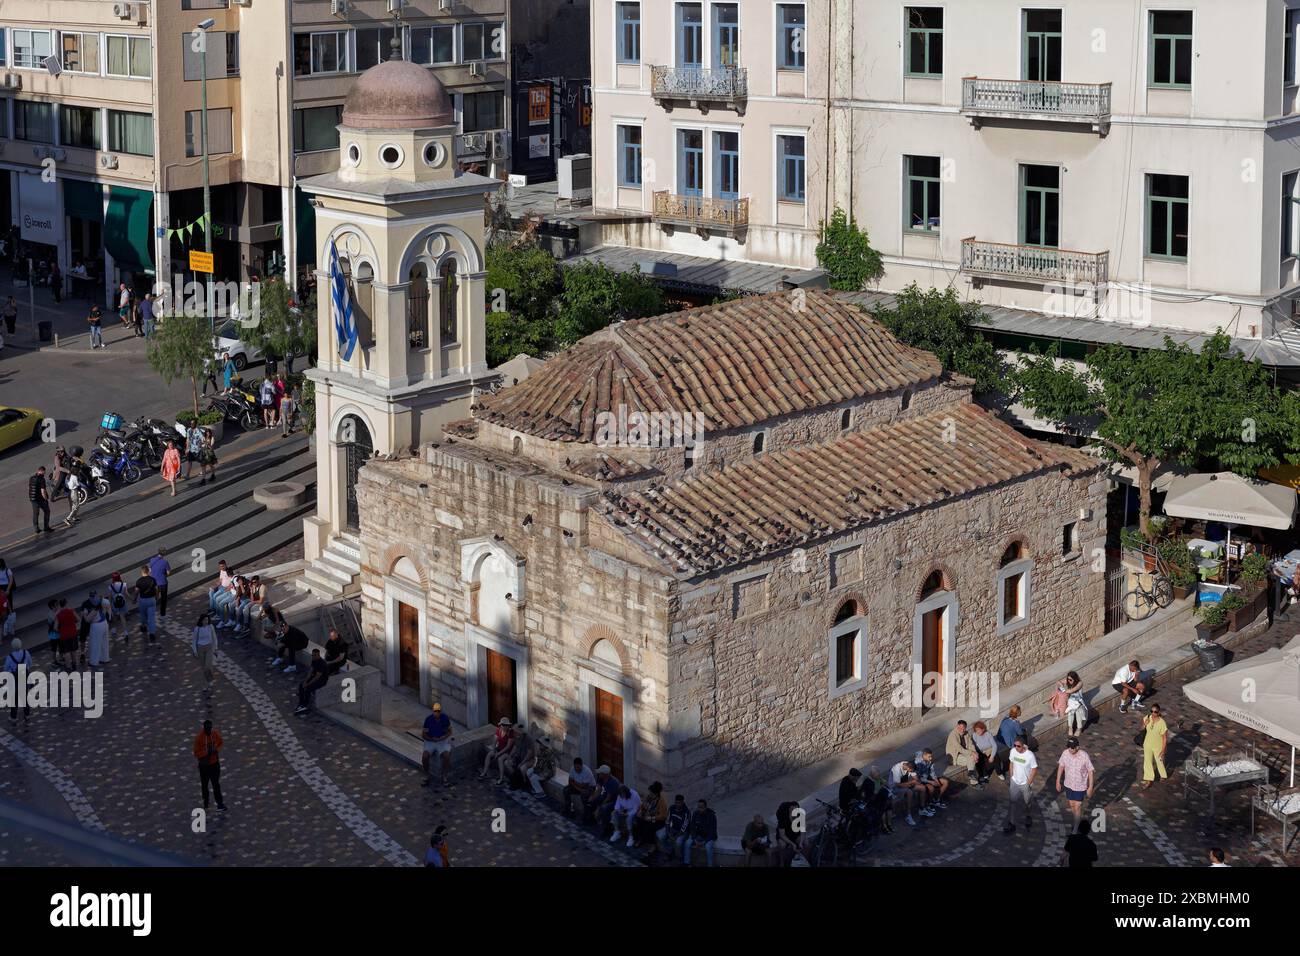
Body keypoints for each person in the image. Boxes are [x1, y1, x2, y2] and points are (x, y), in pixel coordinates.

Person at [1055, 736, 1095, 826]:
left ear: (1077, 747)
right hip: (1068, 784)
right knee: (1072, 804)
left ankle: (1076, 827)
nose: (1070, 749)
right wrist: (1058, 781)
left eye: (1072, 747)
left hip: (1080, 786)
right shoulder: (1065, 753)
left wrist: (1090, 786)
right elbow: (1061, 766)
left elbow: (1090, 770)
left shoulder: (1084, 756)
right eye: (1069, 746)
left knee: (1077, 806)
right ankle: (1076, 819)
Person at [1002, 736, 1038, 835]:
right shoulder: (1013, 751)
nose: (1016, 747)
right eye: (1015, 745)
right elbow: (1011, 763)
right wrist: (1011, 776)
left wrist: (1028, 782)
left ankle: (1028, 816)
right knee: (1012, 802)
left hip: (1025, 783)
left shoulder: (1029, 755)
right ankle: (1012, 823)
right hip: (1014, 781)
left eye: (1018, 746)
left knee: (1027, 802)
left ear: (1023, 746)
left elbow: (1034, 769)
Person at [193, 720, 227, 811]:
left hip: (214, 764)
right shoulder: (199, 738)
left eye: (210, 729)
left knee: (216, 784)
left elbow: (220, 742)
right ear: (204, 728)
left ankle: (220, 804)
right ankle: (206, 802)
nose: (209, 731)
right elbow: (196, 753)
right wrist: (206, 753)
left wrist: (216, 750)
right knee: (205, 785)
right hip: (204, 766)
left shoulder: (214, 733)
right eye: (207, 729)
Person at [421, 703, 453, 787]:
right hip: (431, 741)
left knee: (446, 756)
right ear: (433, 711)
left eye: (438, 711)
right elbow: (423, 735)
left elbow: (450, 731)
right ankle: (426, 775)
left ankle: (444, 776)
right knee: (425, 756)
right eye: (435, 711)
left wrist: (443, 737)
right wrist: (432, 739)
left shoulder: (445, 718)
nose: (437, 713)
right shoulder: (428, 720)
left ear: (440, 711)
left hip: (441, 741)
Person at [631, 780, 668, 850]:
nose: (649, 794)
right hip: (647, 816)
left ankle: (652, 845)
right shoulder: (649, 797)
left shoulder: (661, 802)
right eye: (649, 792)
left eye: (651, 793)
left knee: (649, 826)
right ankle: (639, 839)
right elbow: (643, 805)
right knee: (637, 821)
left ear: (656, 794)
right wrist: (640, 811)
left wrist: (651, 818)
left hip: (657, 820)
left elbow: (663, 816)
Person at [1140, 703, 1169, 790]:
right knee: (1147, 762)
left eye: (1155, 712)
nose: (1153, 713)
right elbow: (1141, 729)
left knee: (1159, 762)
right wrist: (1145, 724)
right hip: (1147, 744)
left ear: (1159, 712)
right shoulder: (1147, 718)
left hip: (1158, 746)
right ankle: (1149, 780)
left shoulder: (1162, 723)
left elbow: (1164, 738)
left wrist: (1163, 750)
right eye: (1151, 711)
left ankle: (1163, 775)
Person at [4, 639, 34, 722]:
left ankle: (13, 717)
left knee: (14, 698)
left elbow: (6, 669)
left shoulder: (10, 657)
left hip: (14, 677)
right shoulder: (26, 653)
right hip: (24, 674)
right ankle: (27, 714)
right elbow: (30, 663)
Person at [295, 647, 330, 715]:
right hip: (315, 677)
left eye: (315, 655)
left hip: (322, 680)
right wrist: (305, 681)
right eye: (312, 655)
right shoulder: (314, 660)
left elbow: (317, 677)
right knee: (301, 685)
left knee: (308, 688)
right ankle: (301, 702)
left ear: (318, 655)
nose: (313, 656)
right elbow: (310, 672)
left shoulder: (322, 663)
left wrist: (307, 684)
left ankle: (305, 704)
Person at [682, 798, 717, 867]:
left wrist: (704, 842)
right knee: (687, 843)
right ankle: (687, 863)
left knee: (708, 847)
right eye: (699, 807)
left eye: (702, 807)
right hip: (698, 836)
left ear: (706, 807)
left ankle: (710, 865)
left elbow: (713, 831)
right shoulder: (695, 813)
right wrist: (694, 838)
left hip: (709, 837)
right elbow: (692, 828)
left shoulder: (712, 816)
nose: (700, 809)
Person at [889, 759, 926, 824]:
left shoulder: (909, 765)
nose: (911, 772)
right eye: (911, 771)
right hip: (894, 787)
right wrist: (911, 782)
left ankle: (922, 809)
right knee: (909, 792)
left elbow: (916, 778)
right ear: (908, 768)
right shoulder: (897, 770)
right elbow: (898, 785)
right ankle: (908, 815)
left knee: (922, 788)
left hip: (905, 784)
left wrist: (916, 781)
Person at [945, 719, 979, 786]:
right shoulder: (953, 735)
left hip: (964, 753)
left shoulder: (966, 733)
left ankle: (971, 775)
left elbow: (971, 744)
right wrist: (972, 753)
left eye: (963, 728)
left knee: (972, 758)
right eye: (960, 728)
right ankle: (974, 781)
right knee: (972, 760)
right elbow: (959, 749)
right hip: (955, 756)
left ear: (965, 727)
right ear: (957, 726)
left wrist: (975, 752)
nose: (962, 730)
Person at [996, 705, 1026, 779]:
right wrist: (1023, 730)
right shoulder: (1015, 722)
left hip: (1000, 737)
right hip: (1007, 741)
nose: (1021, 712)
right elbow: (1020, 732)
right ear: (1017, 713)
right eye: (1020, 711)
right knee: (1024, 736)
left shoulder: (1006, 718)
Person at [130, 565, 159, 644]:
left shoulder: (139, 581)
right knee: (151, 617)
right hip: (152, 600)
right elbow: (156, 590)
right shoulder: (153, 580)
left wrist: (134, 600)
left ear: (142, 572)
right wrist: (157, 598)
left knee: (143, 615)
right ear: (148, 571)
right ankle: (152, 633)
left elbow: (136, 592)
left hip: (143, 600)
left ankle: (143, 626)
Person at [83, 590, 111, 667]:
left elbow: (87, 620)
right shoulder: (104, 602)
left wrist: (84, 614)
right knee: (104, 643)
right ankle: (105, 658)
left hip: (96, 626)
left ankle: (94, 662)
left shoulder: (95, 609)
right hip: (104, 623)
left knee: (95, 644)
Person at [662, 794, 692, 861]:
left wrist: (675, 837)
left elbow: (684, 827)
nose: (677, 804)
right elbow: (667, 821)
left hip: (684, 832)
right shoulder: (671, 808)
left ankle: (680, 858)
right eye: (676, 802)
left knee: (678, 842)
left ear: (682, 802)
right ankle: (668, 853)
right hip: (674, 828)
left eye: (679, 803)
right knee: (661, 836)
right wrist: (668, 833)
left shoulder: (687, 812)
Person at [775, 800, 806, 865]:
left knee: (806, 842)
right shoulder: (783, 817)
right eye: (793, 810)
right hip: (785, 836)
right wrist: (793, 844)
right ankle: (782, 863)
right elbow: (782, 835)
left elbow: (803, 831)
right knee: (782, 845)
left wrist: (800, 843)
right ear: (789, 809)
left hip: (795, 835)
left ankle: (806, 861)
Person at [193, 613, 218, 687]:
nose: (206, 621)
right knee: (204, 667)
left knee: (208, 666)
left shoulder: (210, 627)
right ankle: (206, 682)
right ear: (201, 620)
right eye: (205, 620)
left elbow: (214, 638)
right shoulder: (197, 629)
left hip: (209, 647)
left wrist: (215, 648)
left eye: (207, 620)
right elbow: (194, 640)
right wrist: (195, 651)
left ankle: (210, 680)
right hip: (200, 648)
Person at [54, 598, 78, 668]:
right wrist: (73, 623)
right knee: (73, 650)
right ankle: (74, 664)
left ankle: (68, 666)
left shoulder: (58, 615)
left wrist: (60, 630)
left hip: (64, 635)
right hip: (73, 633)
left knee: (66, 651)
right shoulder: (71, 611)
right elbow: (78, 619)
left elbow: (55, 628)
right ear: (66, 604)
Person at [150, 548, 172, 619]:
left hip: (154, 583)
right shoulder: (165, 562)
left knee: (154, 598)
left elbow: (150, 570)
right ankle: (162, 614)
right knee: (163, 598)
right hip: (162, 582)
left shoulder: (152, 560)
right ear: (164, 553)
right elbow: (168, 573)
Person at [29, 466, 51, 535]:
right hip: (40, 499)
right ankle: (46, 527)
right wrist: (46, 499)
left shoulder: (31, 478)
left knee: (36, 513)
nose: (44, 473)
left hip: (32, 499)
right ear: (42, 471)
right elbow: (43, 491)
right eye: (44, 472)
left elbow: (29, 487)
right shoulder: (42, 479)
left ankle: (36, 528)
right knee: (47, 511)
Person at [107, 572, 129, 638]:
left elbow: (109, 597)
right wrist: (133, 599)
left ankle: (114, 629)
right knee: (122, 617)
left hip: (114, 603)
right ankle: (125, 631)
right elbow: (126, 594)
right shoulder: (124, 584)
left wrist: (109, 605)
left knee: (115, 616)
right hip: (122, 603)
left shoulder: (110, 587)